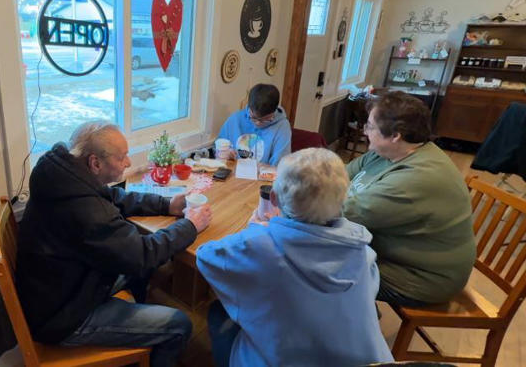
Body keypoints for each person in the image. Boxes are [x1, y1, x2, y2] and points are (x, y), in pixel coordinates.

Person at [15, 121, 212, 367]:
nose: (128, 162)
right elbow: (142, 255)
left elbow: (114, 197)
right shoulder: (85, 210)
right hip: (64, 316)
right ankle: (141, 336)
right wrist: (190, 226)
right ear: (95, 163)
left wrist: (166, 205)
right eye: (122, 157)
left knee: (139, 269)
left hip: (64, 286)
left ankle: (136, 333)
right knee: (179, 325)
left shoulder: (64, 176)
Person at [196, 148, 393, 367]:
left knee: (218, 312)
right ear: (343, 199)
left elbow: (205, 256)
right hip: (366, 360)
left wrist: (255, 230)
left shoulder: (260, 244)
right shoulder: (364, 251)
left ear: (274, 198)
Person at [344, 91, 475, 307]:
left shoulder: (418, 177)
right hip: (393, 256)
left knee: (323, 269)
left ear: (395, 135)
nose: (365, 131)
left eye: (370, 126)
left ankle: (356, 325)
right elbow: (337, 175)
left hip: (420, 277)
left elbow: (343, 213)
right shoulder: (385, 152)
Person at [217, 83, 292, 165]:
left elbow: (280, 165)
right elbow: (218, 148)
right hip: (233, 171)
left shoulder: (282, 127)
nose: (258, 123)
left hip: (264, 172)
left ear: (274, 112)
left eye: (265, 120)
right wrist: (225, 153)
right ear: (249, 107)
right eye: (253, 118)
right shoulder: (235, 119)